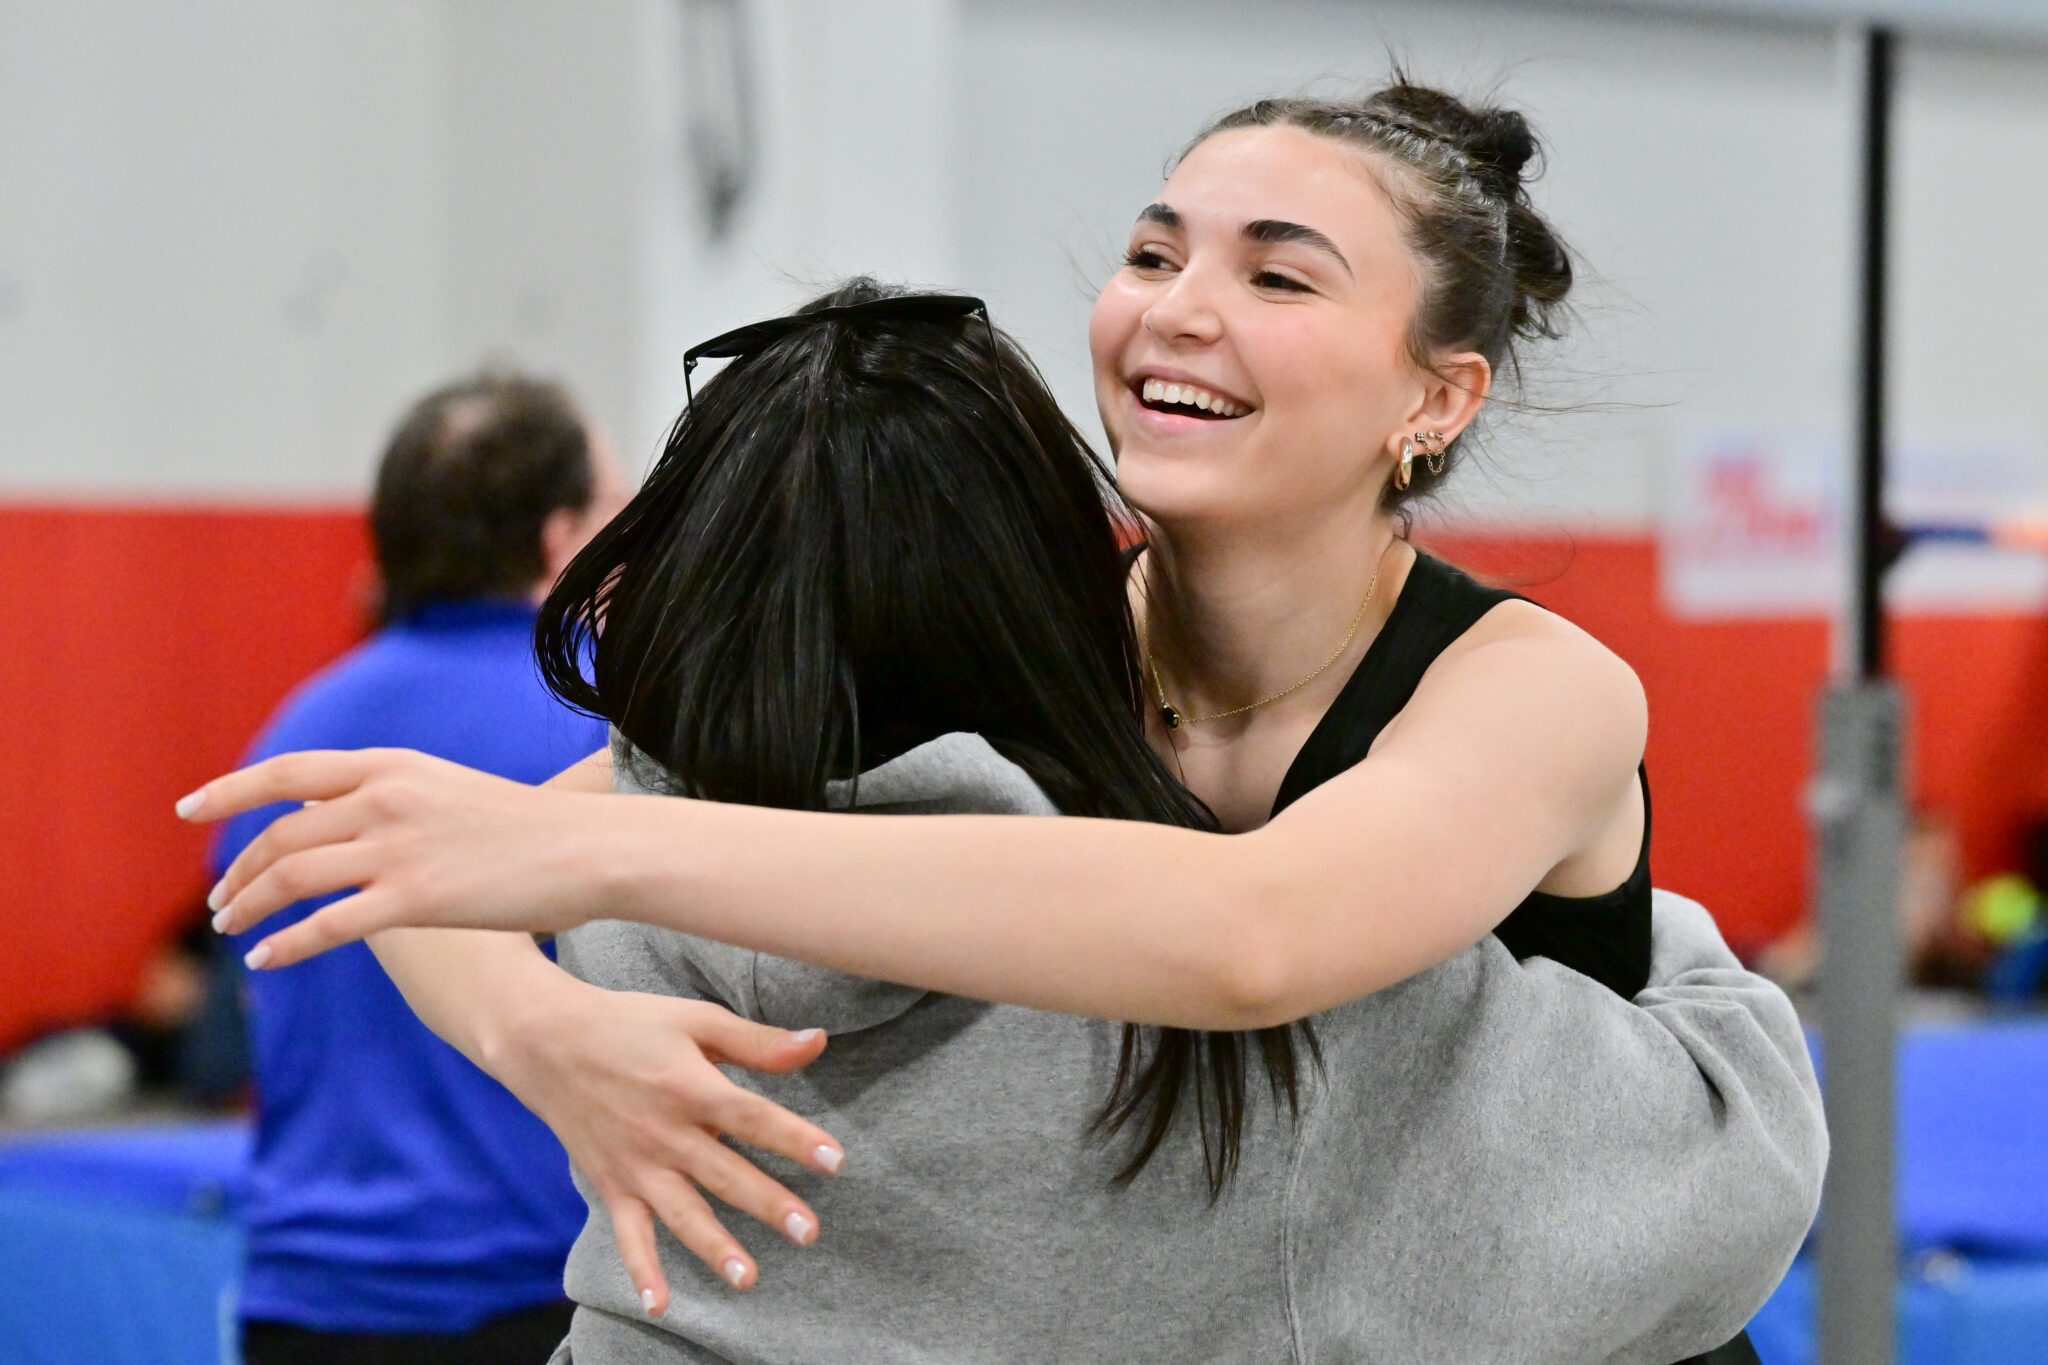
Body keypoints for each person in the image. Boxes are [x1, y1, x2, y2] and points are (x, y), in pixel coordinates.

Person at [191, 83, 1822, 1361]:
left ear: (1434, 396)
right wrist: (544, 1040)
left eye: (1274, 275)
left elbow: (1255, 938)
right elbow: (434, 863)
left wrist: (605, 853)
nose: (1177, 308)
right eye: (1153, 254)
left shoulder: (1530, 685)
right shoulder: (1032, 633)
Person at [212, 372, 628, 1365]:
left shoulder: (292, 738)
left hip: (307, 1297)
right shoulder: (617, 721)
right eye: (617, 515)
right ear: (560, 539)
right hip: (534, 1291)